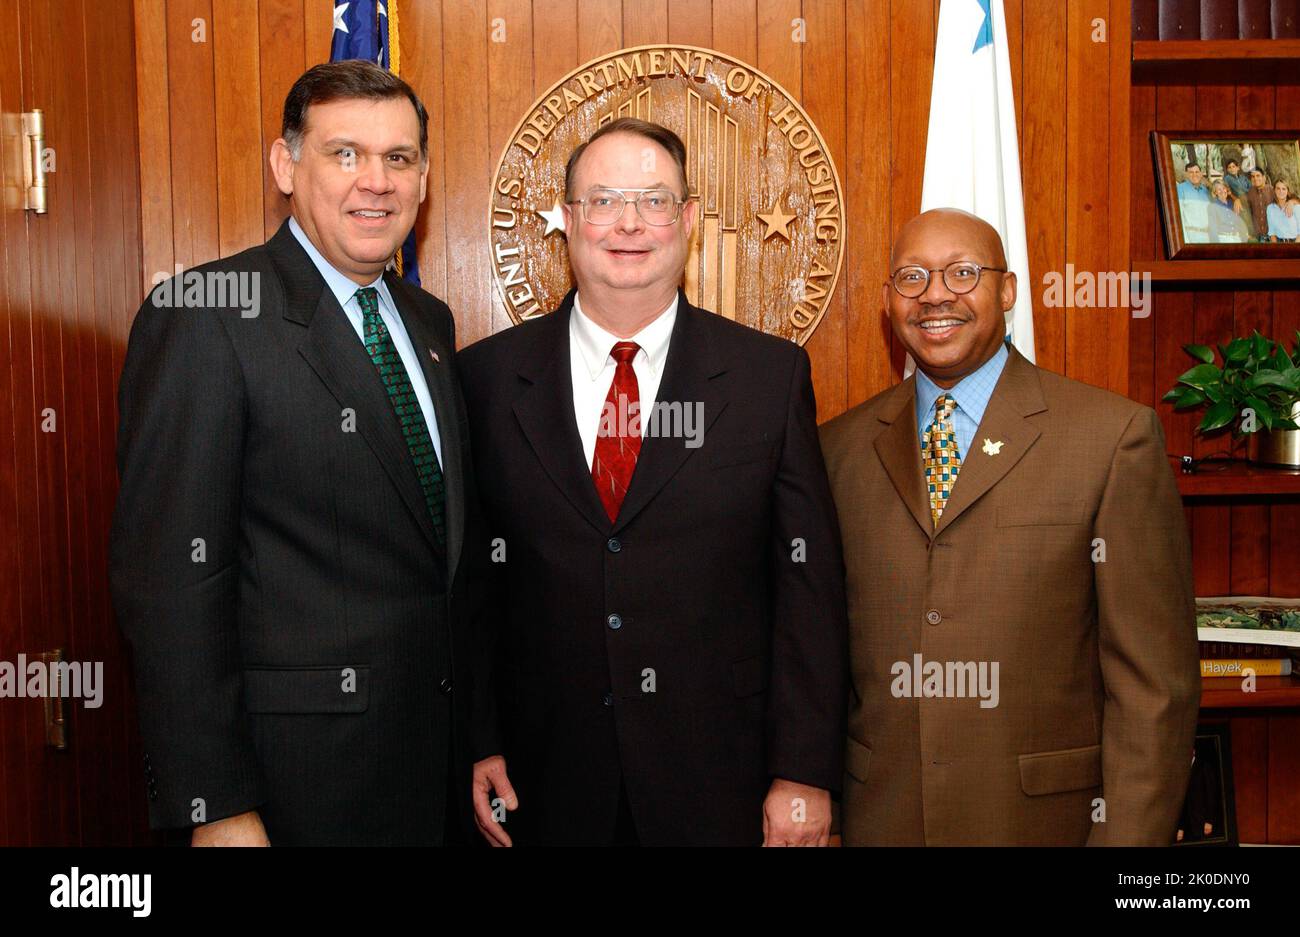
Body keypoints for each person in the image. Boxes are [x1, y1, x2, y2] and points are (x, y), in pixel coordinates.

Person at [110, 61, 489, 845]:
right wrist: (212, 803)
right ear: (286, 166)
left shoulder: (430, 324)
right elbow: (171, 585)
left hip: (435, 777)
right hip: (292, 790)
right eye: (344, 153)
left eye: (399, 158)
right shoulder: (207, 316)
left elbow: (442, 566)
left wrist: (478, 735)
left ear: (422, 178)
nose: (374, 182)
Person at [458, 118, 847, 846]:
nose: (629, 222)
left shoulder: (768, 378)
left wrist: (803, 771)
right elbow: (473, 586)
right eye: (603, 199)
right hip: (542, 783)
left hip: (720, 778)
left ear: (691, 219)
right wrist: (479, 737)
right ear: (567, 220)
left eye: (655, 200)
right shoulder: (483, 379)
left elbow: (809, 594)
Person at [820, 208, 1200, 845]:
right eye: (911, 277)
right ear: (888, 301)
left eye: (963, 273)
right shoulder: (836, 450)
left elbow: (1154, 689)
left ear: (1008, 291)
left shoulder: (1111, 440)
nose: (935, 294)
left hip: (1045, 826)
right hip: (881, 822)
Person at [1176, 163, 1211, 242]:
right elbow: (1179, 217)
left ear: (1201, 173)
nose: (1194, 175)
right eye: (1191, 172)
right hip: (1192, 237)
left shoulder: (1205, 190)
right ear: (1186, 174)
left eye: (1197, 172)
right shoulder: (1180, 189)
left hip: (1208, 236)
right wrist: (1185, 241)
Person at [1245, 168, 1274, 240]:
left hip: (1272, 234)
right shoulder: (1250, 192)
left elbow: (1291, 198)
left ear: (1264, 177)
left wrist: (1291, 202)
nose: (1255, 178)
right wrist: (1237, 200)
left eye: (1258, 175)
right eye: (1253, 176)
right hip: (1257, 235)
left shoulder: (1272, 190)